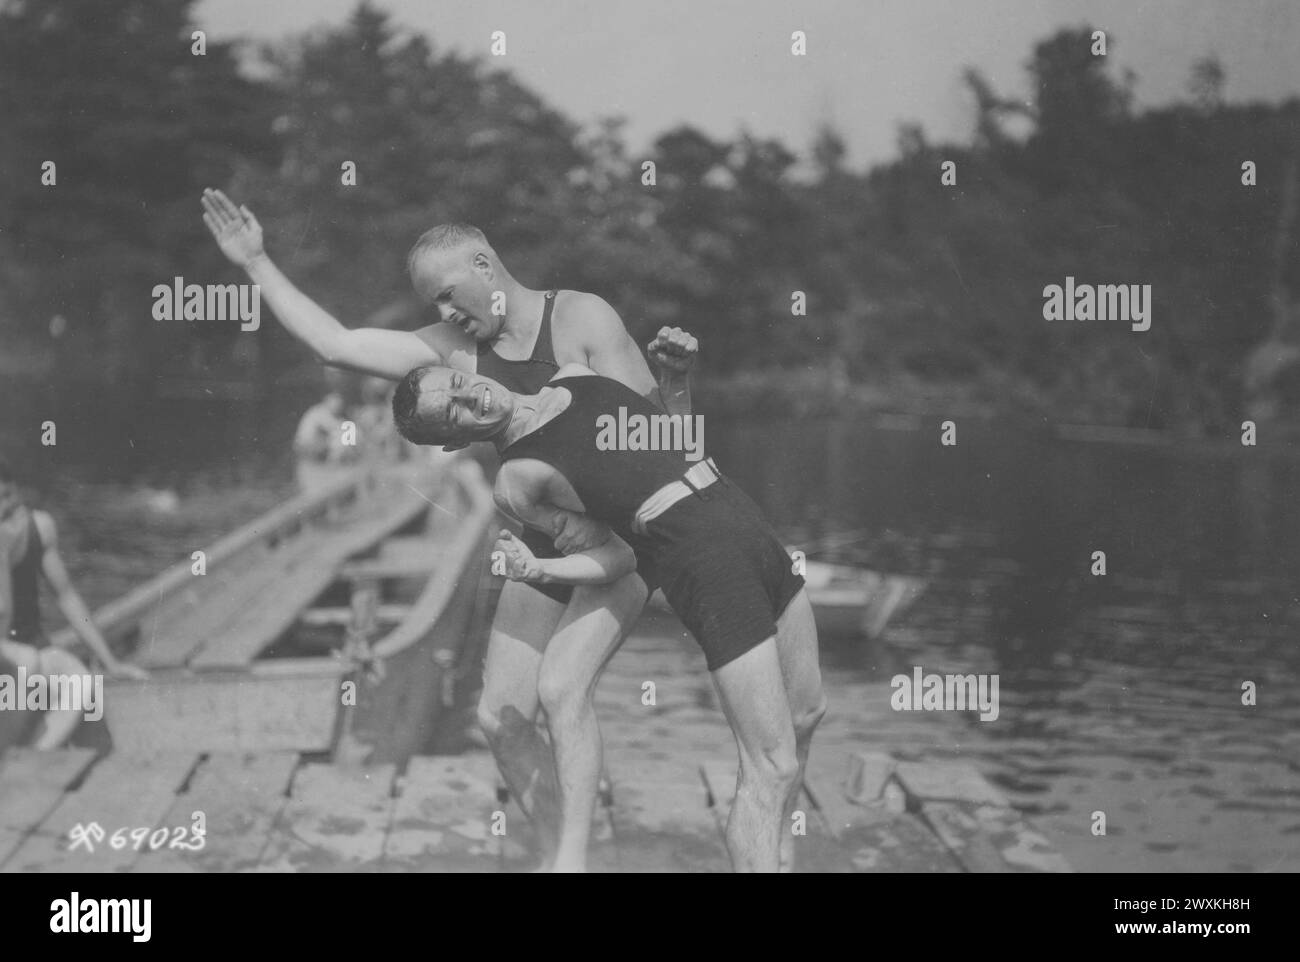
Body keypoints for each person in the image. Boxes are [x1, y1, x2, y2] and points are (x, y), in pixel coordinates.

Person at [200, 189, 698, 868]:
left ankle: (573, 862)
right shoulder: (457, 352)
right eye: (432, 305)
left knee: (563, 690)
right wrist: (256, 261)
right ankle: (565, 852)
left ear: (485, 266)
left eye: (446, 295)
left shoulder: (582, 318)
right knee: (499, 718)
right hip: (545, 537)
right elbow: (335, 344)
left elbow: (658, 444)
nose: (442, 315)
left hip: (624, 539)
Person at [391, 364, 827, 873]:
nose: (471, 398)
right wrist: (540, 568)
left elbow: (678, 447)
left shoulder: (575, 374)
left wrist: (677, 385)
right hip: (704, 559)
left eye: (458, 384)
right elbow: (620, 557)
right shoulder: (518, 480)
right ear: (453, 442)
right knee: (770, 765)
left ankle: (782, 855)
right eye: (453, 413)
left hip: (746, 520)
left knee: (806, 714)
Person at [0, 461, 148, 750]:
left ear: (17, 491)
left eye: (7, 496)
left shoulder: (39, 527)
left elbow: (66, 595)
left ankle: (32, 753)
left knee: (78, 679)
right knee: (28, 665)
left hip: (32, 652)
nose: (4, 508)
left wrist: (110, 662)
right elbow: (3, 614)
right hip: (10, 658)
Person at [293, 391, 351, 491]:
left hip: (306, 449)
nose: (338, 408)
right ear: (327, 402)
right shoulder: (319, 412)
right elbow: (335, 427)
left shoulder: (319, 412)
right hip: (308, 446)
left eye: (339, 405)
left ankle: (335, 469)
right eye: (336, 404)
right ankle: (337, 469)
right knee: (340, 441)